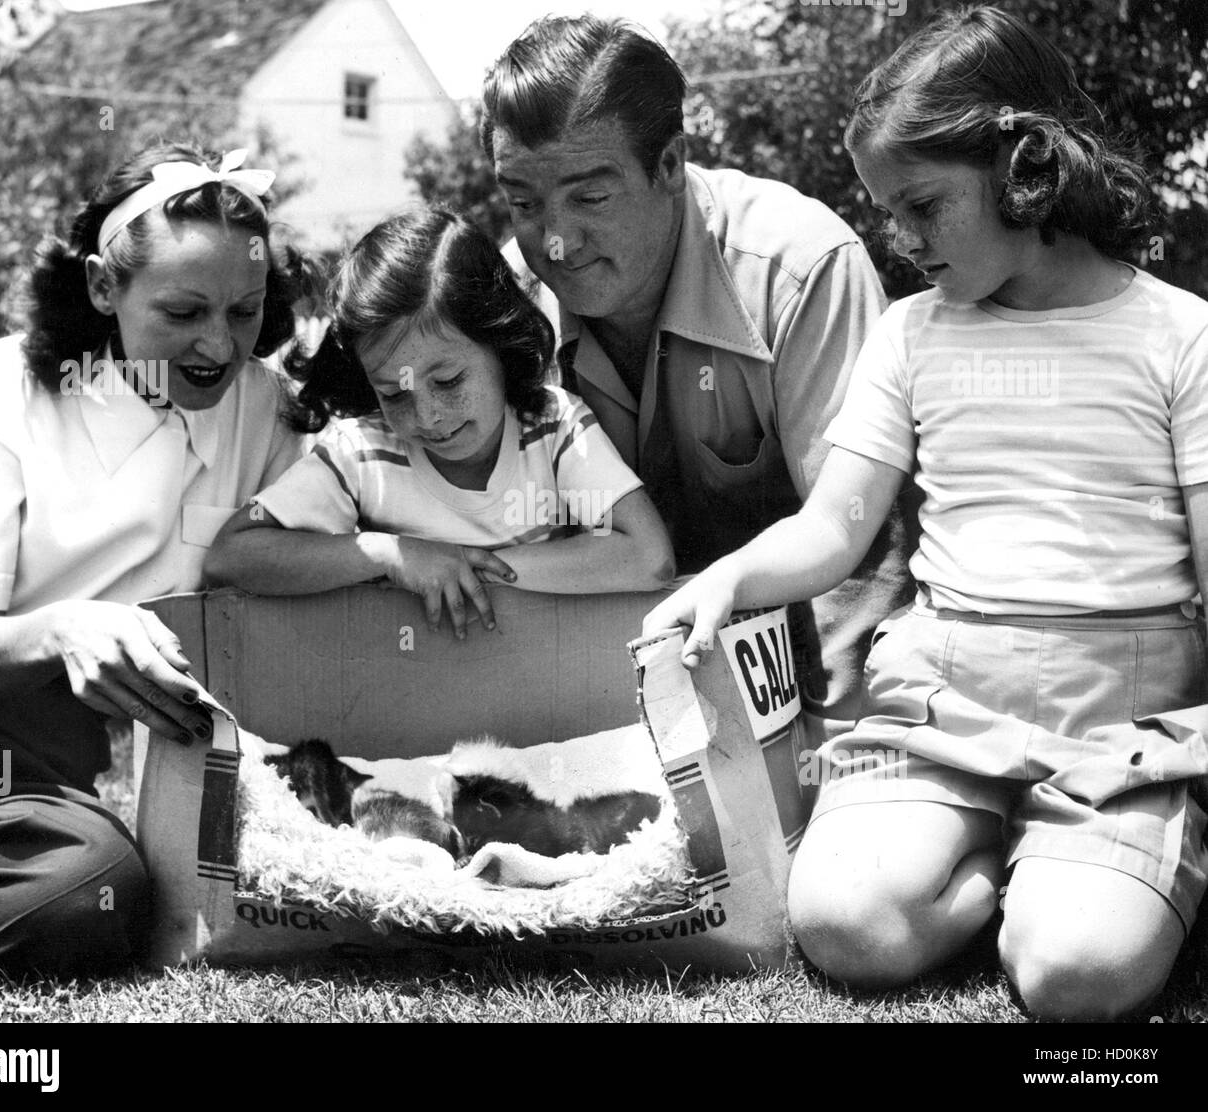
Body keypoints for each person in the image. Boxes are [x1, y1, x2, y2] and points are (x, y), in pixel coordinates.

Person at [643, 6, 1208, 1021]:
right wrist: (724, 580)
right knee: (844, 921)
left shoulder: (1178, 335)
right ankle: (1011, 859)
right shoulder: (912, 334)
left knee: (1076, 978)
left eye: (921, 205)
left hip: (1122, 714)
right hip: (941, 698)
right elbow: (834, 526)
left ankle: (1087, 868)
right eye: (886, 211)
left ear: (1024, 167)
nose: (899, 240)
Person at [0, 141, 311, 1000]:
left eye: (245, 312)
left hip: (49, 775)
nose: (218, 344)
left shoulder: (267, 410)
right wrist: (67, 626)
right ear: (102, 286)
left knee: (91, 899)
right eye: (183, 310)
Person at [479, 15, 914, 739]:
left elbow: (857, 552)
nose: (554, 239)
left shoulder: (799, 270)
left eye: (590, 197)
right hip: (605, 712)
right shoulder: (511, 308)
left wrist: (833, 766)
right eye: (524, 203)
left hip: (816, 704)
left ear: (671, 164)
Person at [205, 207, 674, 638]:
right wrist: (392, 555)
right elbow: (233, 554)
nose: (426, 416)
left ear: (500, 344)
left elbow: (649, 557)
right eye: (393, 394)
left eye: (448, 381)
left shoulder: (553, 427)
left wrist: (463, 570)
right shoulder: (362, 453)